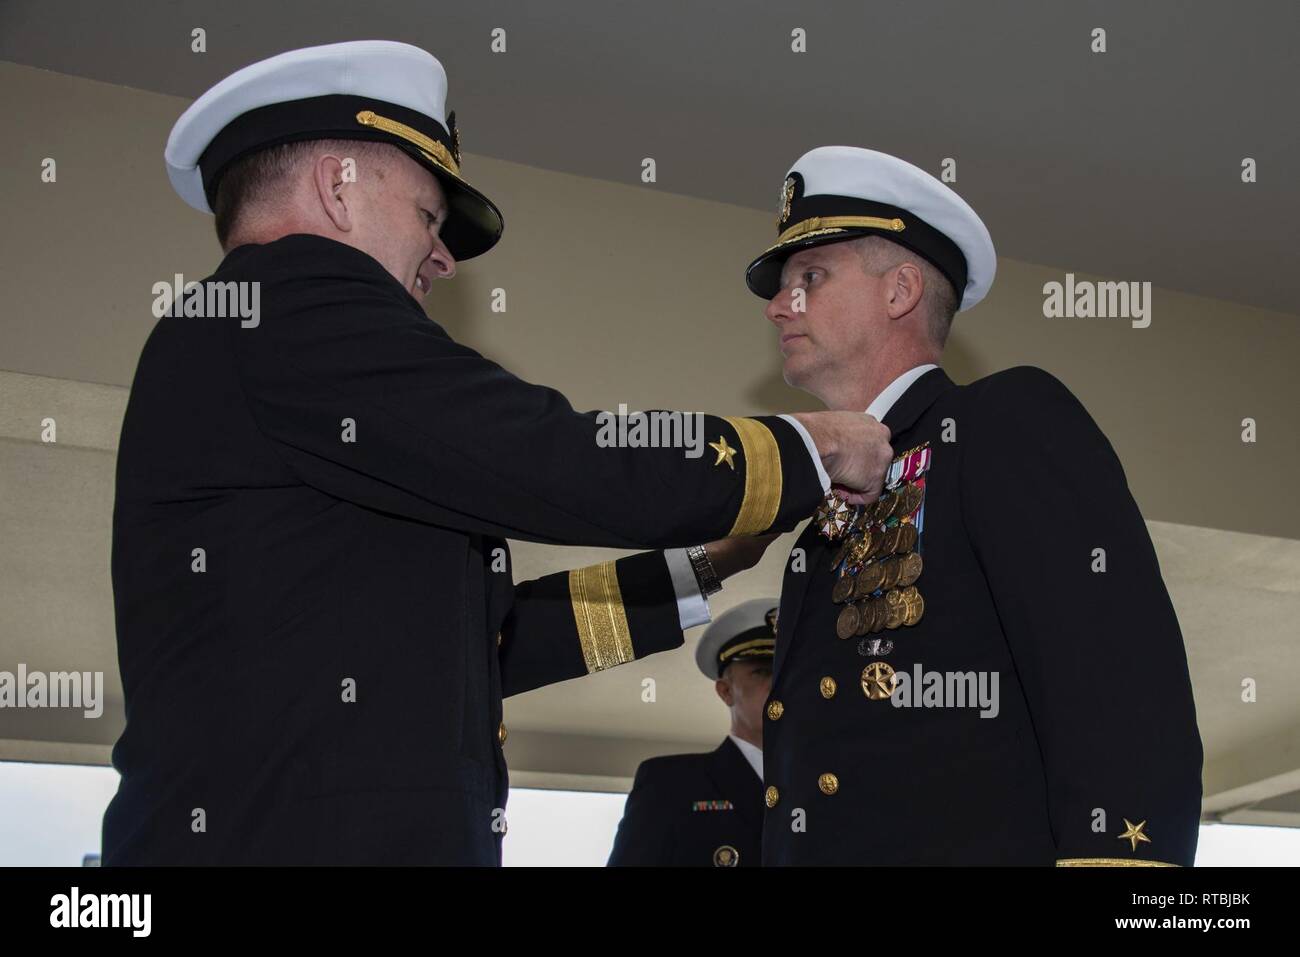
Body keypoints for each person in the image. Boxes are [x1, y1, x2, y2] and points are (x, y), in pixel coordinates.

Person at [102, 43, 893, 865]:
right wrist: (805, 446)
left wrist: (701, 566)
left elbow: (483, 647)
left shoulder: (270, 343)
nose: (443, 256)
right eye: (428, 216)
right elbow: (554, 454)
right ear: (337, 188)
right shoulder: (291, 302)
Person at [750, 146, 1203, 866]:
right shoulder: (830, 507)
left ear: (900, 291)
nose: (779, 305)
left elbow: (1117, 691)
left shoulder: (1001, 421)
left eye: (810, 278)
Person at [607, 598, 777, 866]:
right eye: (762, 672)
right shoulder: (669, 783)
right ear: (726, 691)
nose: (777, 685)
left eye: (786, 674)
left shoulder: (821, 784)